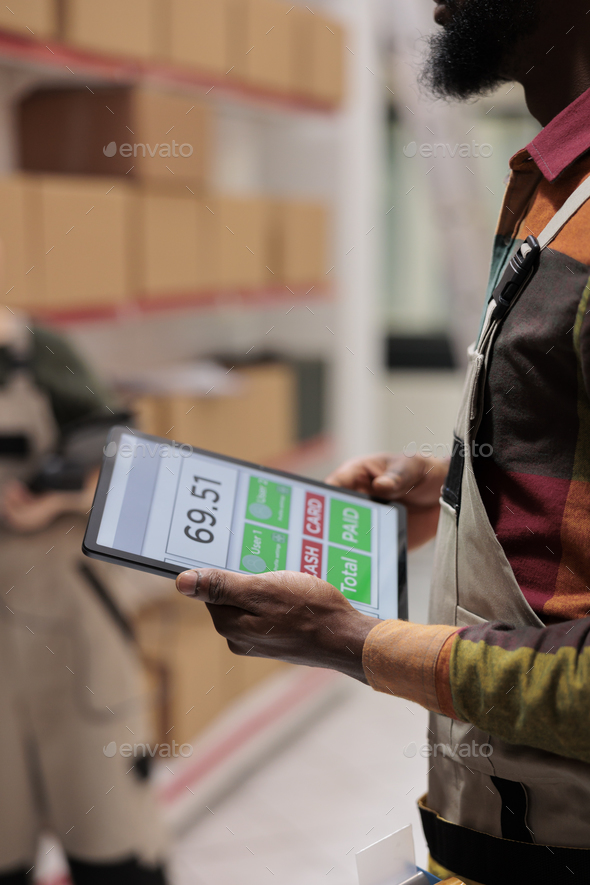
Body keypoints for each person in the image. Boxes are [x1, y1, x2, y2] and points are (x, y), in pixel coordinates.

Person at [174, 1, 590, 883]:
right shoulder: (552, 182)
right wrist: (455, 488)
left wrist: (352, 641)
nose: (435, 3)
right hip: (495, 822)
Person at [0, 311, 169, 884]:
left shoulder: (40, 349)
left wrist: (57, 501)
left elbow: (133, 467)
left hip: (72, 630)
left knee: (113, 846)